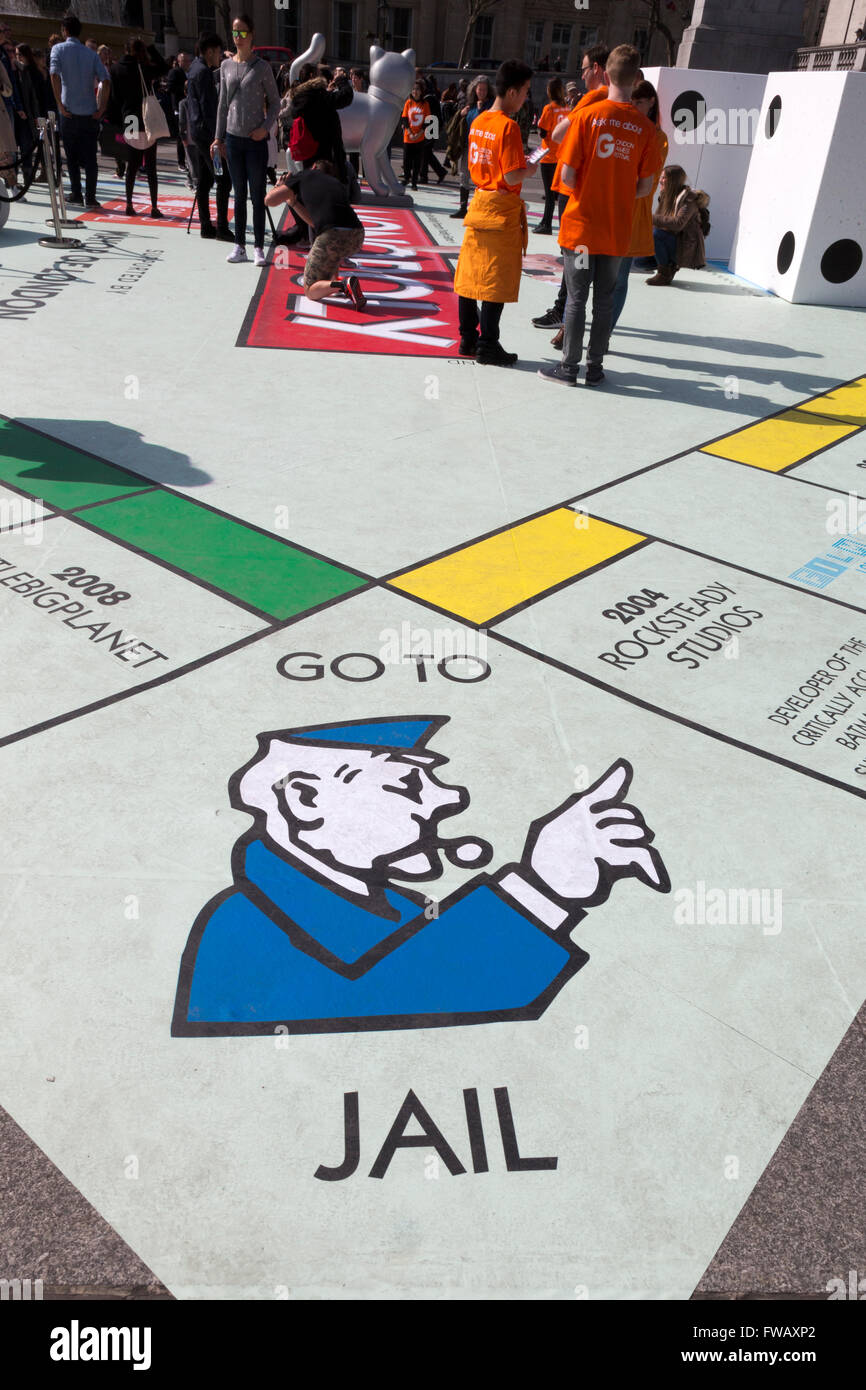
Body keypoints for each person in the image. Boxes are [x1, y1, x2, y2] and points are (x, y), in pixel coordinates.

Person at [174, 718, 667, 1035]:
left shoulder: (406, 910)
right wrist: (542, 888)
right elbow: (386, 999)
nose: (449, 798)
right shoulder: (241, 923)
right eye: (410, 782)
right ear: (305, 800)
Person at [538, 44, 659, 389]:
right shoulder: (645, 129)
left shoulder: (588, 116)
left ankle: (568, 368)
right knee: (605, 300)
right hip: (616, 231)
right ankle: (595, 366)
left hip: (581, 230)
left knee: (577, 298)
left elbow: (568, 177)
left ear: (605, 76)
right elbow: (643, 187)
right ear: (637, 79)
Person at [453, 59, 533, 367]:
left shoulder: (479, 120)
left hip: (479, 202)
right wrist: (531, 167)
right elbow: (513, 176)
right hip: (501, 207)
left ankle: (467, 338)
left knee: (470, 274)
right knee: (495, 278)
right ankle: (488, 343)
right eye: (525, 91)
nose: (526, 97)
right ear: (512, 92)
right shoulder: (509, 127)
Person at [531, 44, 609, 332]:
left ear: (598, 69)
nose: (583, 74)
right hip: (582, 187)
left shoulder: (594, 100)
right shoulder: (607, 102)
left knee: (574, 253)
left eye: (586, 68)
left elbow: (558, 132)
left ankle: (565, 310)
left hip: (575, 188)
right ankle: (567, 309)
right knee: (582, 256)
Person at [213, 14, 280, 266]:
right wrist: (217, 138)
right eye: (234, 32)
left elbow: (276, 103)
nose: (237, 37)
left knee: (257, 194)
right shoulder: (225, 67)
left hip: (255, 141)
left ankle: (259, 248)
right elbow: (222, 106)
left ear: (252, 35)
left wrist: (265, 128)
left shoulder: (262, 67)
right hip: (232, 139)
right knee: (238, 193)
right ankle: (239, 245)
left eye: (242, 32)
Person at [264, 158, 365, 307]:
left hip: (332, 235)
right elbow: (314, 223)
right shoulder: (335, 184)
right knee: (333, 250)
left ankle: (343, 285)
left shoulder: (304, 175)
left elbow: (269, 201)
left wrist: (280, 187)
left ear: (313, 167)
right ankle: (334, 281)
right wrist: (293, 202)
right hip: (357, 236)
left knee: (310, 289)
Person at [609, 79, 668, 329]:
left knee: (619, 278)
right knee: (587, 276)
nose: (634, 107)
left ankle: (605, 333)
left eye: (640, 103)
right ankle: (572, 326)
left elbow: (648, 183)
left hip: (633, 213)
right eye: (631, 102)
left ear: (652, 102)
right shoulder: (622, 127)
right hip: (608, 208)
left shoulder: (657, 138)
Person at [49, 13, 110, 208]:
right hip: (90, 112)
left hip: (68, 111)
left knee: (72, 156)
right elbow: (106, 81)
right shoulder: (91, 54)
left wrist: (59, 103)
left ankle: (76, 192)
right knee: (91, 158)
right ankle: (90, 197)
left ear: (64, 31)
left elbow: (54, 75)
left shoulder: (58, 49)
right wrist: (101, 108)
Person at [108, 38, 168, 219]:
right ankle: (154, 207)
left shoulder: (116, 69)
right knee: (150, 164)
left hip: (130, 118)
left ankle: (128, 204)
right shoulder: (144, 68)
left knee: (132, 164)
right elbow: (165, 68)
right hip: (145, 117)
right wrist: (152, 48)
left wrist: (116, 121)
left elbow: (115, 98)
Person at [187, 31, 233, 241]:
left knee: (205, 181)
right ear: (209, 51)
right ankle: (221, 228)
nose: (219, 57)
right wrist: (218, 138)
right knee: (223, 180)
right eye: (217, 53)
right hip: (207, 137)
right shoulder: (203, 71)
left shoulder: (196, 68)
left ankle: (206, 225)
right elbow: (208, 108)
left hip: (198, 133)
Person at [648, 164, 709, 286]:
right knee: (640, 262)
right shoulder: (666, 196)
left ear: (673, 180)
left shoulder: (688, 199)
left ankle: (665, 273)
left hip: (685, 246)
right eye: (661, 177)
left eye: (664, 178)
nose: (660, 180)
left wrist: (648, 217)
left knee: (655, 234)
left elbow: (678, 224)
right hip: (675, 241)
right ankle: (669, 266)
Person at [447, 73, 492, 219]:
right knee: (464, 175)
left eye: (484, 90)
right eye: (479, 89)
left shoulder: (491, 107)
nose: (482, 92)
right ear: (474, 90)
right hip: (469, 147)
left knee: (482, 178)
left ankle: (481, 208)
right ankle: (462, 207)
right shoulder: (469, 105)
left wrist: (481, 110)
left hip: (484, 148)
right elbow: (457, 123)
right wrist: (461, 113)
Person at [534, 76, 569, 234]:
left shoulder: (549, 109)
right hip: (562, 154)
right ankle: (557, 223)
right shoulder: (567, 107)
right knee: (559, 194)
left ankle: (546, 223)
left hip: (548, 155)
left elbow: (542, 132)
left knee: (549, 194)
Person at [14, 44, 40, 185]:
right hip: (14, 115)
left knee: (26, 148)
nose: (17, 57)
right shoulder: (13, 70)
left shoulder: (28, 71)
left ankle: (27, 176)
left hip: (26, 117)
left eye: (19, 54)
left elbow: (33, 97)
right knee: (14, 149)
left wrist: (35, 116)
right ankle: (13, 179)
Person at [400, 79, 429, 191]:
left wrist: (419, 133)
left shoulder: (425, 104)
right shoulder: (408, 103)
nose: (415, 91)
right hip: (408, 137)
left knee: (417, 162)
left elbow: (427, 121)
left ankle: (414, 182)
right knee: (406, 161)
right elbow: (404, 119)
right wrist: (410, 133)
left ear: (421, 91)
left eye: (417, 89)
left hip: (420, 138)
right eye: (413, 89)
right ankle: (406, 177)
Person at [165, 49, 191, 170]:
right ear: (179, 62)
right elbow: (170, 88)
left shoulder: (190, 72)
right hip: (178, 106)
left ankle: (187, 160)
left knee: (188, 134)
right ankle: (181, 161)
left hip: (189, 106)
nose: (187, 63)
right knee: (181, 135)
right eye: (184, 61)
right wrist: (184, 87)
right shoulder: (175, 72)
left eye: (188, 61)